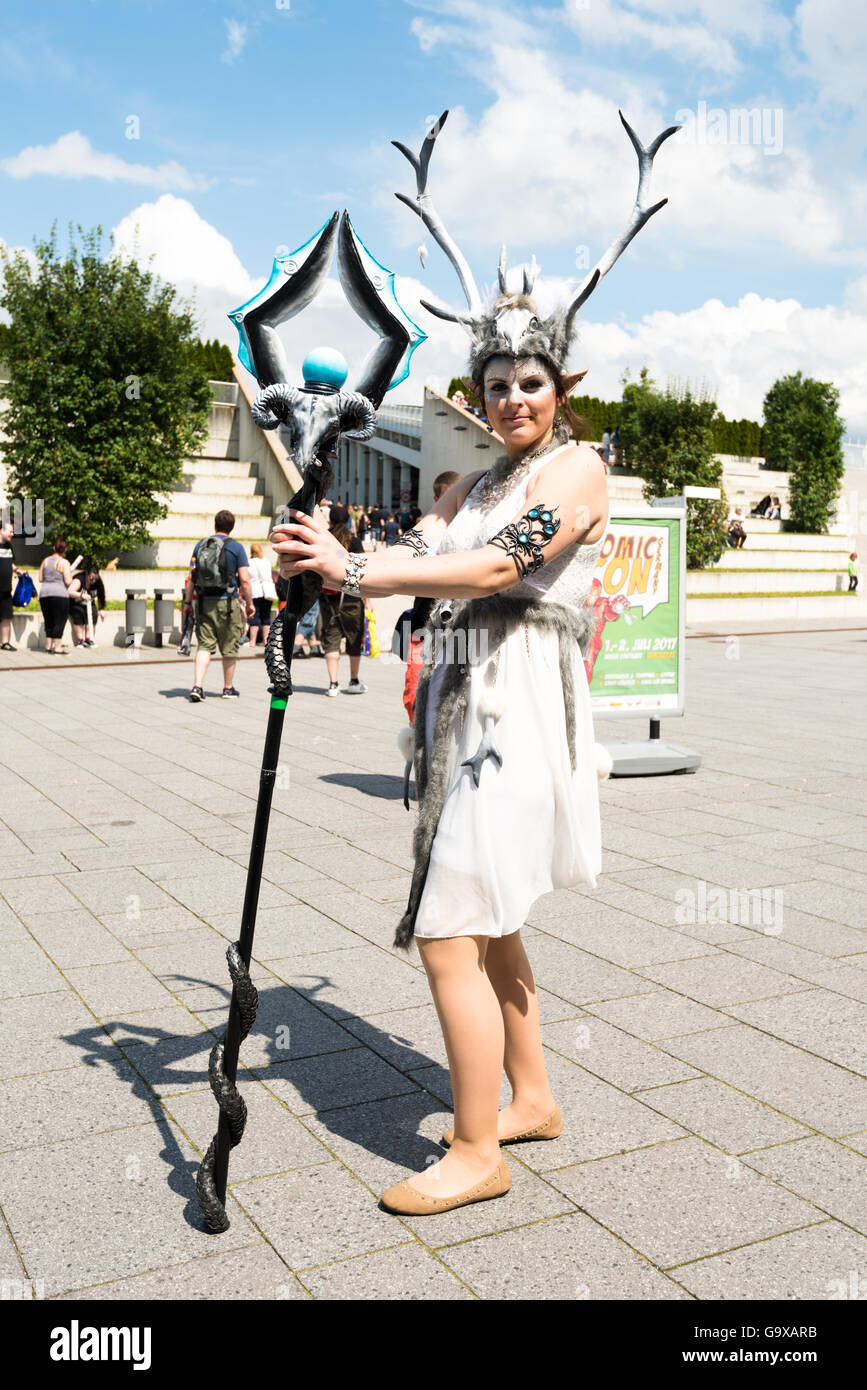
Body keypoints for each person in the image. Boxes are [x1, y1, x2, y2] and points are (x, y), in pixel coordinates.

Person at [271, 312, 608, 1217]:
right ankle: (530, 1099)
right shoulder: (468, 483)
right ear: (478, 396)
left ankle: (473, 1150)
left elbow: (501, 568)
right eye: (496, 385)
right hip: (465, 707)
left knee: (447, 928)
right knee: (490, 922)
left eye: (529, 384)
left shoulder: (577, 469)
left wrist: (353, 575)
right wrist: (319, 548)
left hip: (520, 712)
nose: (512, 399)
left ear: (559, 390)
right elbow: (415, 552)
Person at [401, 471, 461, 725]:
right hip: (423, 630)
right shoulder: (424, 533)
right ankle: (418, 742)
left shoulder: (476, 537)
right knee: (415, 691)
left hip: (464, 631)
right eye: (448, 499)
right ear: (437, 499)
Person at [188, 509, 254, 702]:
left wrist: (186, 602)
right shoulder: (236, 548)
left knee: (204, 646)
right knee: (229, 646)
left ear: (215, 525)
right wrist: (249, 604)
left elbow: (191, 577)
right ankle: (227, 688)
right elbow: (245, 580)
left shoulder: (202, 545)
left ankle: (198, 686)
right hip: (227, 603)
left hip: (203, 602)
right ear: (232, 527)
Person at [317, 507, 369, 694]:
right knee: (354, 639)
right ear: (348, 520)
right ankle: (353, 681)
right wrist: (367, 598)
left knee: (331, 638)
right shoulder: (353, 541)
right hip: (351, 598)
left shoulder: (323, 540)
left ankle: (333, 684)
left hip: (327, 597)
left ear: (329, 519)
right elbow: (363, 571)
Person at [38, 539, 75, 654]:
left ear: (54, 548)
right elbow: (68, 581)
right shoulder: (65, 563)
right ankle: (57, 647)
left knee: (48, 620)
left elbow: (40, 579)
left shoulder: (45, 561)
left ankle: (48, 646)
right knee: (59, 621)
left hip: (44, 593)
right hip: (59, 594)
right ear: (65, 550)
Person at [248, 542, 277, 650]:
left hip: (255, 591)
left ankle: (252, 641)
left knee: (254, 616)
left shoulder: (249, 562)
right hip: (267, 591)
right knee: (266, 616)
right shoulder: (266, 561)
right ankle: (266, 640)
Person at [69, 563, 106, 647]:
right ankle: (80, 640)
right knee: (79, 613)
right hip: (75, 602)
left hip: (89, 603)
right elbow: (70, 591)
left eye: (95, 578)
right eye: (91, 578)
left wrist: (101, 608)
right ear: (86, 574)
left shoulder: (97, 581)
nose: (93, 580)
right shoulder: (79, 580)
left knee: (94, 614)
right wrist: (81, 595)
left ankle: (89, 639)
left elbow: (101, 594)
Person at [0, 518, 22, 651]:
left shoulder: (9, 547)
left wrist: (17, 570)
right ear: (1, 531)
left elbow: (10, 562)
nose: (12, 534)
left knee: (7, 616)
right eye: (10, 531)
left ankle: (5, 643)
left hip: (6, 588)